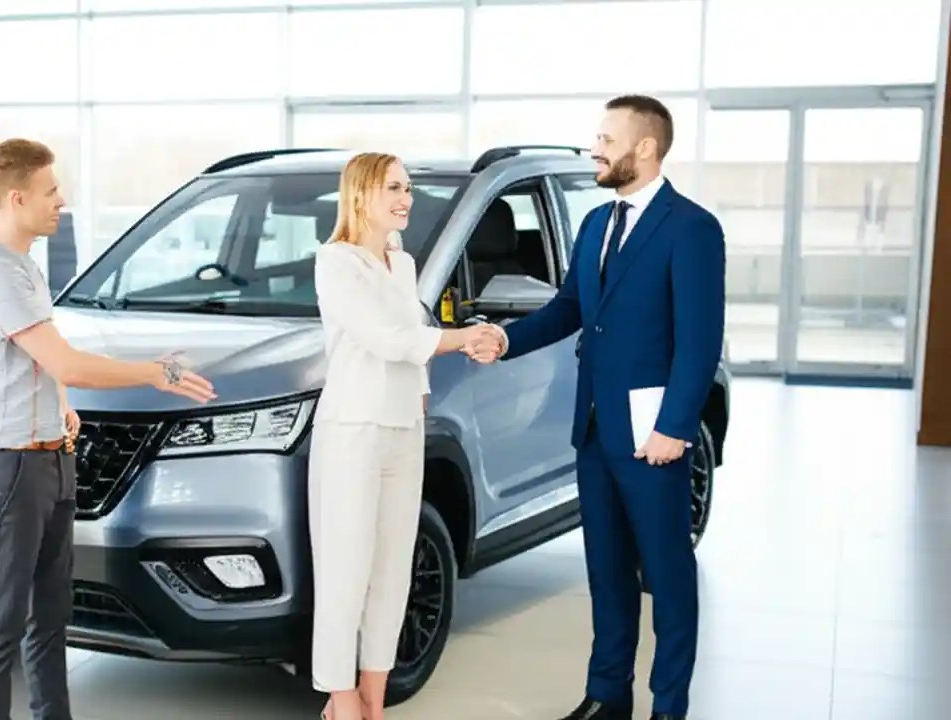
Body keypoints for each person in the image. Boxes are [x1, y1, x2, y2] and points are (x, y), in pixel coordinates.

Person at [467, 96, 725, 720]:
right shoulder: (595, 225)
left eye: (607, 138)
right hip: (594, 428)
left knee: (665, 574)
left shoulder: (691, 228)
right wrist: (505, 339)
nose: (596, 148)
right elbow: (568, 310)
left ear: (646, 149)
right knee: (606, 573)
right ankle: (608, 695)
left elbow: (699, 340)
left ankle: (669, 705)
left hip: (651, 435)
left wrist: (675, 427)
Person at [0, 138, 217, 720]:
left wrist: (60, 403)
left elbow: (46, 362)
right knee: (0, 621)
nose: (61, 201)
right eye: (50, 192)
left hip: (49, 457)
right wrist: (156, 373)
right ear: (16, 199)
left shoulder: (24, 267)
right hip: (7, 467)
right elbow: (66, 360)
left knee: (50, 618)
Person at [310, 152, 502, 720]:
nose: (405, 198)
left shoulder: (402, 262)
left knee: (394, 569)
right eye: (393, 187)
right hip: (353, 428)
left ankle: (374, 693)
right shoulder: (336, 262)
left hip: (401, 426)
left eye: (408, 188)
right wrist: (464, 338)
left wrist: (420, 399)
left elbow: (411, 349)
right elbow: (389, 338)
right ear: (361, 194)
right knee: (345, 567)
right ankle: (339, 697)